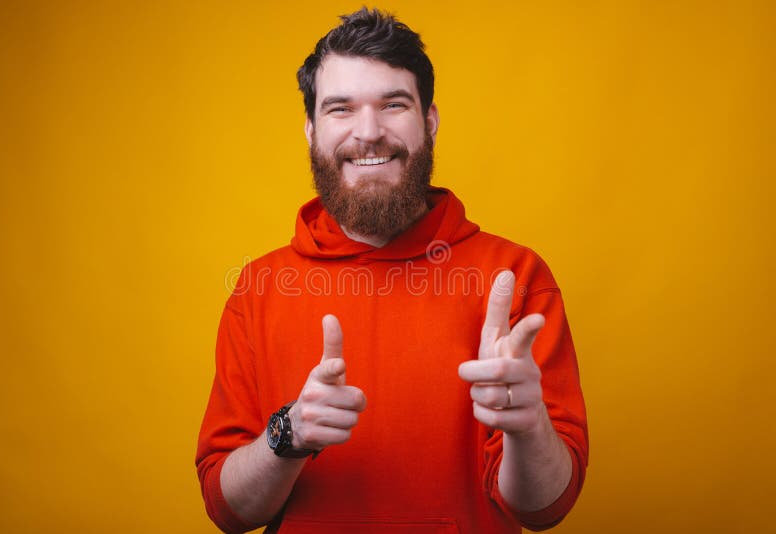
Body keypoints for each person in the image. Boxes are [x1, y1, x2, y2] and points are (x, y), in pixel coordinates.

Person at [196, 7, 588, 533]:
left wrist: (526, 425)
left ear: (429, 120)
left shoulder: (515, 276)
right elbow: (228, 511)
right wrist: (288, 434)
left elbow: (545, 509)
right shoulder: (258, 289)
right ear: (311, 129)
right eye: (341, 108)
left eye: (393, 104)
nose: (369, 132)